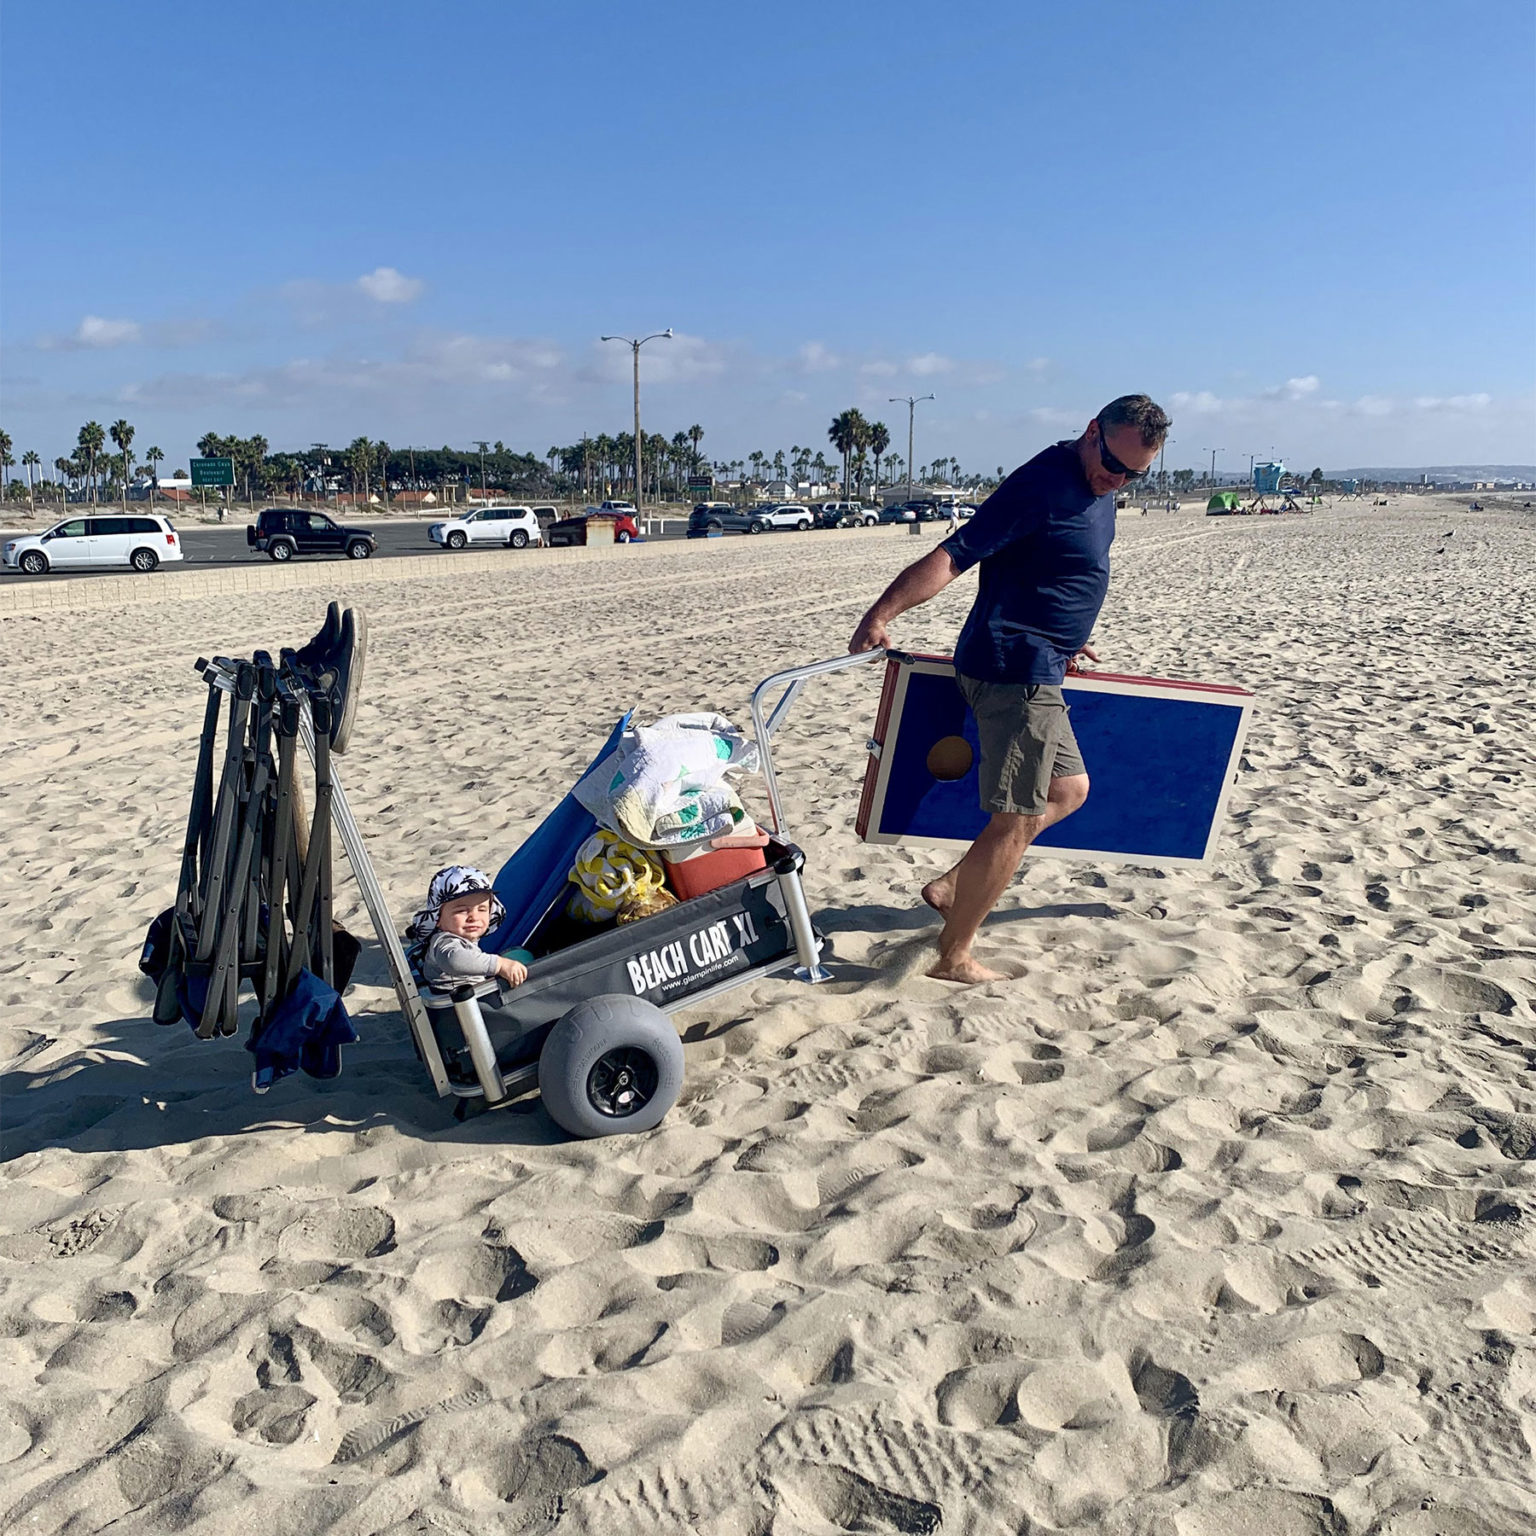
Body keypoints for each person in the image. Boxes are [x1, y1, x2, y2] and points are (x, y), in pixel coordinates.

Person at [849, 394, 1170, 984]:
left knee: (1069, 791)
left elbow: (1054, 567)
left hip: (1044, 662)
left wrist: (1066, 635)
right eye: (1112, 464)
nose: (1116, 480)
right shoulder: (1042, 485)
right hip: (1013, 672)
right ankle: (954, 955)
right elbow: (953, 556)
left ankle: (953, 885)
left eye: (1133, 475)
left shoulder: (1098, 487)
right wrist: (881, 613)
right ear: (1093, 431)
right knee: (1016, 818)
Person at [406, 865, 528, 991]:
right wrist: (499, 964)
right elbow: (454, 960)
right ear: (437, 918)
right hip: (460, 1007)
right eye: (462, 911)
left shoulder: (461, 938)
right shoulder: (444, 941)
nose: (473, 917)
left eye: (482, 909)